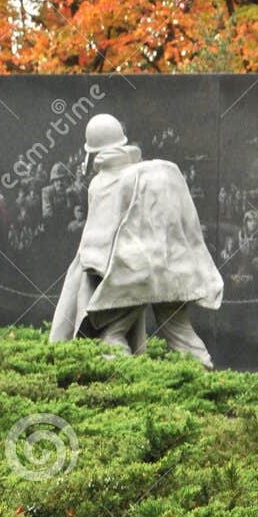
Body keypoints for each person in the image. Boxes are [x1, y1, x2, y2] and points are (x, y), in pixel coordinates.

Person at [50, 114, 222, 367]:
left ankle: (126, 386)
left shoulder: (102, 183)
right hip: (172, 269)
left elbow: (96, 245)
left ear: (93, 150)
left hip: (130, 275)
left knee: (111, 334)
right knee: (180, 334)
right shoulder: (153, 175)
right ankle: (208, 384)